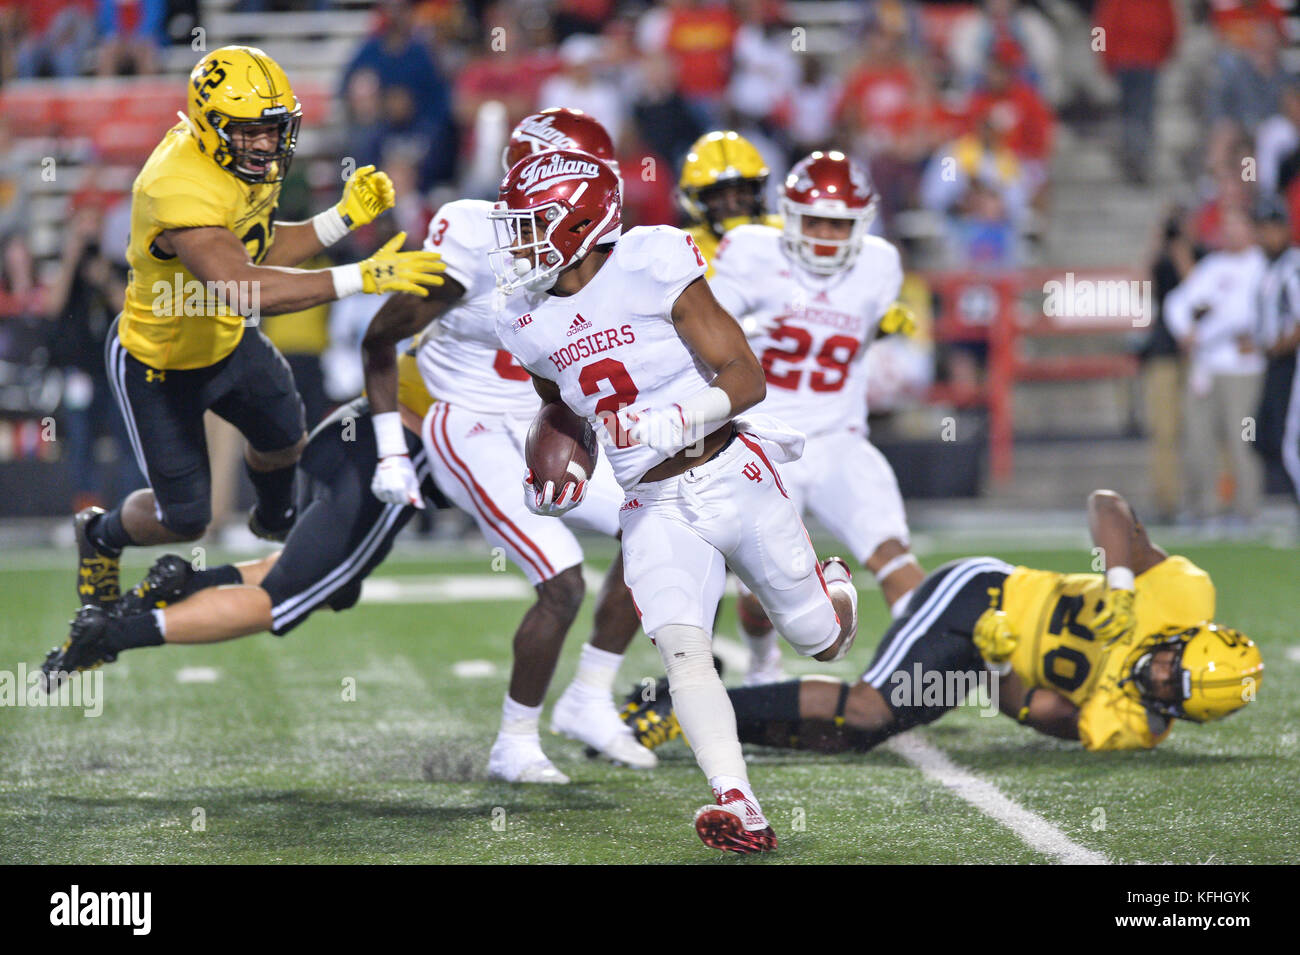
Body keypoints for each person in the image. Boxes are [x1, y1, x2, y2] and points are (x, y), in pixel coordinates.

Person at [491, 147, 858, 854]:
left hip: (732, 471)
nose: (521, 241)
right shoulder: (526, 319)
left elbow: (745, 376)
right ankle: (739, 802)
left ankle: (834, 589)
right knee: (683, 651)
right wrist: (554, 465)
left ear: (581, 220)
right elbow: (565, 408)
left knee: (820, 639)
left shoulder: (649, 261)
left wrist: (676, 418)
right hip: (651, 504)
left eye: (534, 222)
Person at [74, 46, 446, 616]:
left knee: (284, 439)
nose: (268, 144)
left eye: (274, 129)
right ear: (209, 127)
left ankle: (274, 521)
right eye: (252, 132)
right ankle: (101, 534)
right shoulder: (175, 183)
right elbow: (241, 284)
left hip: (226, 341)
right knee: (186, 519)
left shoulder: (238, 162)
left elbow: (255, 245)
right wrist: (360, 276)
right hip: (159, 363)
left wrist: (339, 219)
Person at [362, 109, 655, 781]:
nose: (590, 206)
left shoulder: (603, 253)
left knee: (661, 526)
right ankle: (513, 742)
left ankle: (587, 697)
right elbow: (379, 337)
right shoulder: (469, 236)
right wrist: (387, 448)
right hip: (466, 422)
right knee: (562, 581)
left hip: (544, 424)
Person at [623, 490, 1264, 755]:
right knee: (871, 708)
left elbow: (1032, 710)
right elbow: (1108, 506)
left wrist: (1002, 661)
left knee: (855, 735)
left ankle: (694, 713)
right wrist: (1122, 580)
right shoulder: (1183, 592)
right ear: (1191, 636)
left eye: (1166, 691)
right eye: (1166, 664)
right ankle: (679, 704)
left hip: (995, 652)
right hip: (978, 591)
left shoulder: (1135, 725)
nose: (1153, 675)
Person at [42, 369, 435, 687]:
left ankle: (186, 581)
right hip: (390, 452)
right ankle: (110, 636)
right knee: (284, 600)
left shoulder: (471, 310)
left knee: (334, 587)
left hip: (348, 426)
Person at [708, 151, 923, 686]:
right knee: (762, 586)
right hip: (763, 439)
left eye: (839, 223)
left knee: (894, 556)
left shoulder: (879, 264)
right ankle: (762, 666)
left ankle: (924, 674)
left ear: (862, 223)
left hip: (837, 438)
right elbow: (703, 327)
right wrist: (745, 326)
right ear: (788, 216)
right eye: (815, 220)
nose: (826, 234)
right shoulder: (750, 252)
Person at [1163, 206, 1267, 528]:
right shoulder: (1212, 266)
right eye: (1227, 225)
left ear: (1252, 229)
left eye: (1238, 224)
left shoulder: (1260, 267)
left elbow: (1244, 315)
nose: (1231, 231)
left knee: (1243, 440)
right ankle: (1203, 508)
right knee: (1198, 439)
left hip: (1243, 369)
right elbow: (1177, 302)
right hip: (1206, 366)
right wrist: (1186, 332)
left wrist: (1204, 332)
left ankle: (1247, 509)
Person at [676, 130, 781, 277]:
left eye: (742, 192)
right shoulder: (681, 253)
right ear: (696, 200)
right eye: (717, 196)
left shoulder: (789, 233)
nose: (732, 206)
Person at [1252, 196, 1300, 509]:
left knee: (1287, 441)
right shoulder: (1270, 267)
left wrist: (1283, 344)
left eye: (1271, 228)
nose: (1266, 235)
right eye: (1261, 228)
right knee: (1266, 436)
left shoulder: (1293, 265)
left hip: (1291, 361)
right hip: (1276, 360)